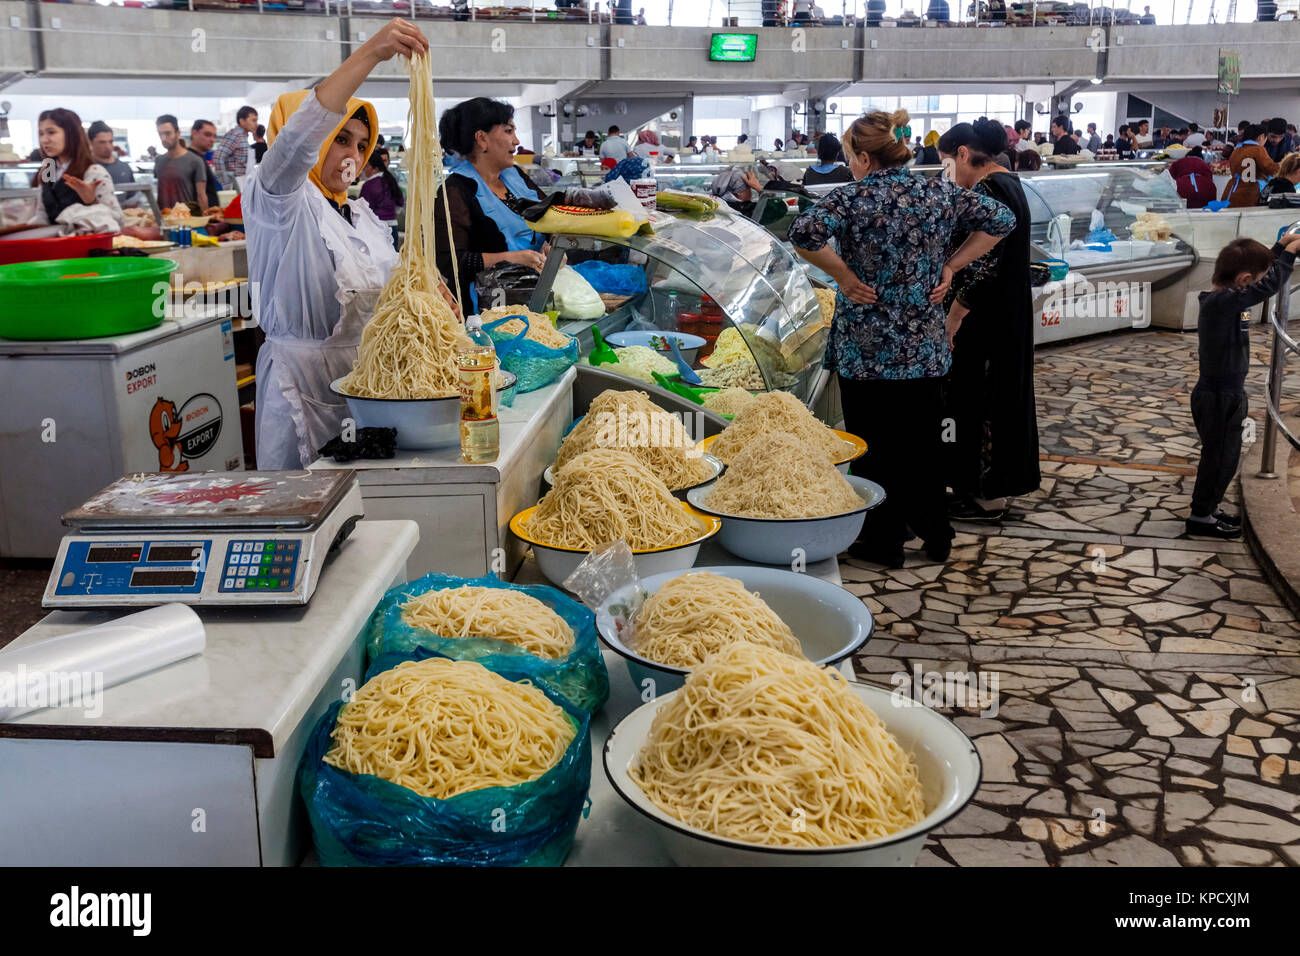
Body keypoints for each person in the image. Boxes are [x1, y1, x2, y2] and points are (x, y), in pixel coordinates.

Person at [787, 109, 1015, 568]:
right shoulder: (939, 192)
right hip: (923, 348)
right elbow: (1001, 219)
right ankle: (936, 533)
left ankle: (883, 541)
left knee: (872, 447)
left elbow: (803, 232)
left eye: (852, 157)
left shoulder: (851, 199)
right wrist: (952, 264)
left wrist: (844, 275)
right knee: (924, 444)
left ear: (866, 159)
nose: (851, 165)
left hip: (866, 347)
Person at [246, 18, 447, 471]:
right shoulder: (277, 202)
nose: (352, 156)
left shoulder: (360, 217)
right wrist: (371, 54)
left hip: (367, 389)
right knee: (306, 513)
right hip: (301, 387)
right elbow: (297, 144)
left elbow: (389, 287)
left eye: (361, 145)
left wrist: (423, 290)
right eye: (340, 139)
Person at [936, 119, 1039, 523]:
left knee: (982, 399)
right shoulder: (1010, 183)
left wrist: (954, 316)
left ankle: (986, 495)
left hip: (988, 319)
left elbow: (983, 266)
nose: (949, 174)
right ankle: (988, 490)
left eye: (947, 164)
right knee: (1000, 396)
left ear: (963, 154)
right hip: (1006, 315)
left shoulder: (988, 190)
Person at [1186, 234, 1300, 538]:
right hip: (1218, 396)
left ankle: (1208, 509)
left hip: (1227, 394)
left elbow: (1260, 281)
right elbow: (1266, 287)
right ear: (1244, 280)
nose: (1257, 288)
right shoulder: (1221, 303)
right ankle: (1200, 517)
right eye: (1255, 280)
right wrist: (1289, 255)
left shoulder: (1228, 298)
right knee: (1218, 458)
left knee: (1226, 457)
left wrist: (1276, 250)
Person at [434, 96, 550, 311]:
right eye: (508, 131)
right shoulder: (455, 192)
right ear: (481, 139)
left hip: (534, 297)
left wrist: (552, 247)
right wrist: (511, 258)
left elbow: (551, 216)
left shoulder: (516, 177)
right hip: (487, 311)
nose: (516, 141)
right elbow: (450, 262)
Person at [27, 108, 124, 234]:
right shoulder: (48, 169)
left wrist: (92, 202)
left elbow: (118, 221)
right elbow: (43, 214)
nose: (45, 140)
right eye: (41, 134)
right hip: (54, 246)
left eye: (51, 132)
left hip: (84, 248)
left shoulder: (93, 172)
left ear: (71, 134)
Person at [154, 114, 209, 210]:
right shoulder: (159, 161)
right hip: (164, 220)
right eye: (160, 134)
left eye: (167, 133)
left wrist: (205, 222)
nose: (163, 138)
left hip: (187, 220)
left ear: (177, 133)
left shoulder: (195, 161)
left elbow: (201, 196)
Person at [1223, 123, 1277, 207]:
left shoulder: (1237, 150)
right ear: (1261, 137)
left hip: (1231, 191)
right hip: (1249, 193)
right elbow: (1270, 168)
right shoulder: (1258, 149)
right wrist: (1286, 165)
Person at [359, 149, 403, 247]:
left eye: (366, 166)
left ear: (375, 168)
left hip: (376, 228)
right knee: (393, 260)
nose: (364, 169)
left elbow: (362, 210)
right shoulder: (391, 180)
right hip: (393, 226)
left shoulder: (369, 185)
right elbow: (400, 202)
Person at [213, 105, 258, 190]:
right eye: (253, 120)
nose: (256, 124)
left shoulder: (243, 137)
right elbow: (218, 157)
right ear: (242, 121)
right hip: (235, 184)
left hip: (243, 183)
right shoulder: (235, 135)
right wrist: (226, 183)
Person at [188, 120, 223, 211]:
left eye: (214, 136)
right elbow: (200, 195)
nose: (212, 140)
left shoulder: (201, 158)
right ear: (194, 132)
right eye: (207, 135)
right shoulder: (191, 159)